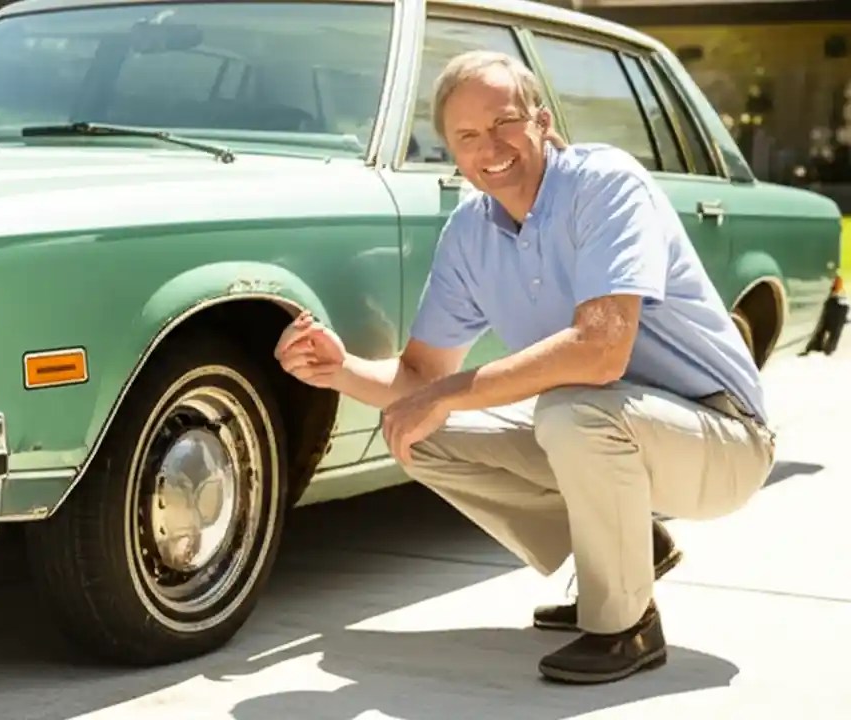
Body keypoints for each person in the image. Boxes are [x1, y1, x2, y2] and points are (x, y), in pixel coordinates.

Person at [274, 50, 776, 685]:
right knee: (414, 430)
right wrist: (340, 368)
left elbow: (600, 350)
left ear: (541, 120)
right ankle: (626, 553)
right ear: (452, 151)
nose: (491, 146)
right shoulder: (469, 233)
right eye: (468, 136)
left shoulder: (605, 186)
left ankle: (627, 627)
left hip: (723, 439)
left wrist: (451, 392)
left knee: (571, 410)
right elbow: (421, 380)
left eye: (506, 122)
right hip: (614, 427)